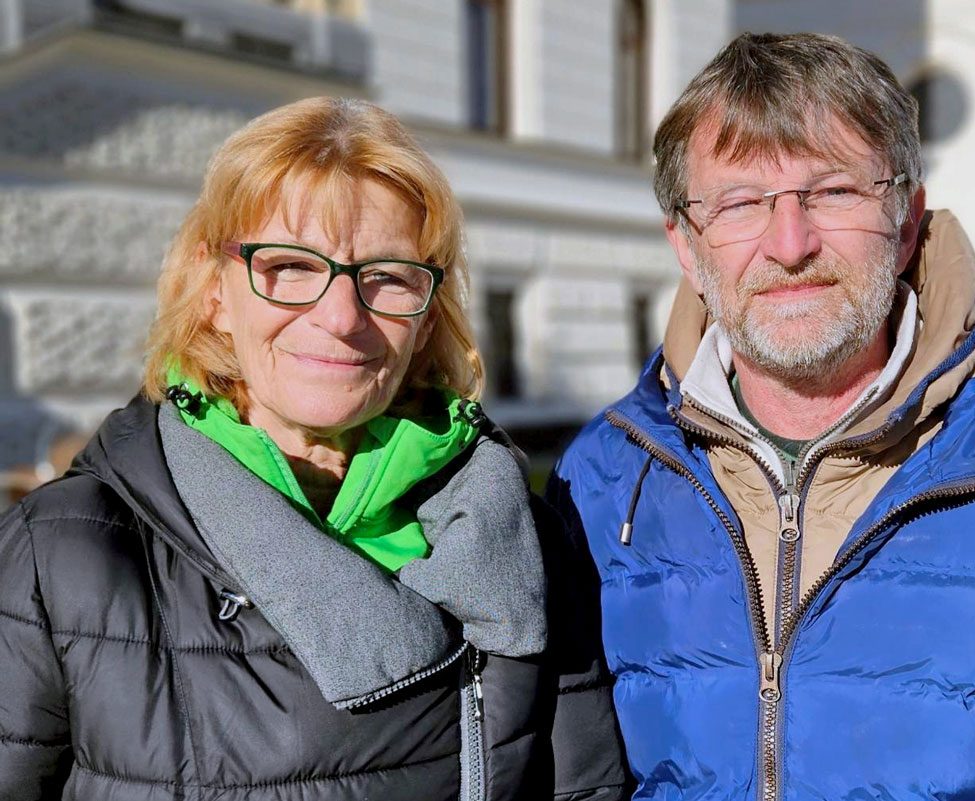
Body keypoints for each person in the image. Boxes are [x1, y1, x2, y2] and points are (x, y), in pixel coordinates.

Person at [548, 32, 975, 800]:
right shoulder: (603, 480)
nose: (790, 244)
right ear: (688, 247)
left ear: (906, 219)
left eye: (833, 192)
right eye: (740, 203)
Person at [0, 97, 627, 800]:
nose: (341, 316)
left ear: (426, 319)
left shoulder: (519, 536)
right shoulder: (59, 557)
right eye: (292, 265)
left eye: (388, 275)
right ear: (214, 292)